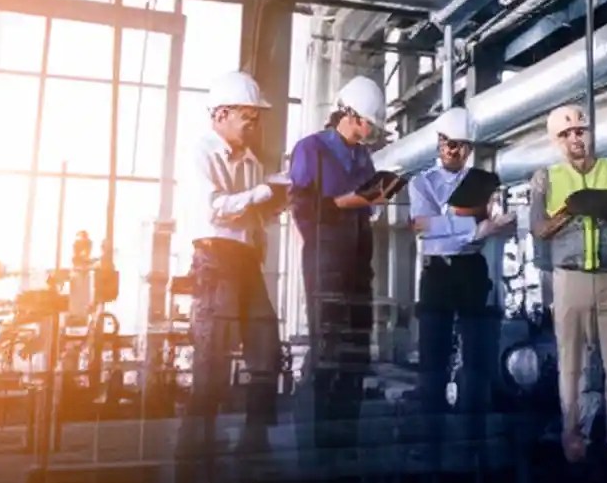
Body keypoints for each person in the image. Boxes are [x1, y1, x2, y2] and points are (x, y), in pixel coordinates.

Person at [287, 74, 397, 452]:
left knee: (356, 354)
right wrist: (345, 203)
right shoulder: (311, 149)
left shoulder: (363, 156)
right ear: (348, 114)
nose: (370, 131)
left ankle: (344, 445)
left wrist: (371, 204)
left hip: (357, 261)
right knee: (328, 351)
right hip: (325, 258)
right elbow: (301, 206)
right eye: (368, 123)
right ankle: (314, 448)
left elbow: (363, 204)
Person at [528, 103, 607, 463]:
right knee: (572, 361)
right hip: (570, 277)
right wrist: (570, 210)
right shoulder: (545, 178)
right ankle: (573, 436)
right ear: (556, 141)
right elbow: (538, 229)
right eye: (567, 134)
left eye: (581, 130)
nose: (576, 138)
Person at [180, 71, 286, 456]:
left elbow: (251, 216)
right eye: (248, 117)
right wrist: (259, 194)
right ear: (222, 113)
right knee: (212, 357)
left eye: (256, 119)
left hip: (244, 261)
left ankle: (254, 441)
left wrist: (274, 204)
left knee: (266, 348)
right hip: (214, 258)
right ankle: (195, 445)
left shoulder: (252, 163)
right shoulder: (200, 154)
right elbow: (214, 209)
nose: (253, 126)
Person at [408, 107, 516, 415]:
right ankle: (432, 439)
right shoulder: (423, 183)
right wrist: (475, 228)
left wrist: (484, 225)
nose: (455, 151)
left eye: (462, 146)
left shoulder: (484, 181)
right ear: (440, 143)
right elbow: (424, 227)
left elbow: (497, 223)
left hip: (471, 270)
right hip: (439, 273)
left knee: (478, 360)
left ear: (469, 149)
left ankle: (473, 439)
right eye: (450, 144)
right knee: (433, 361)